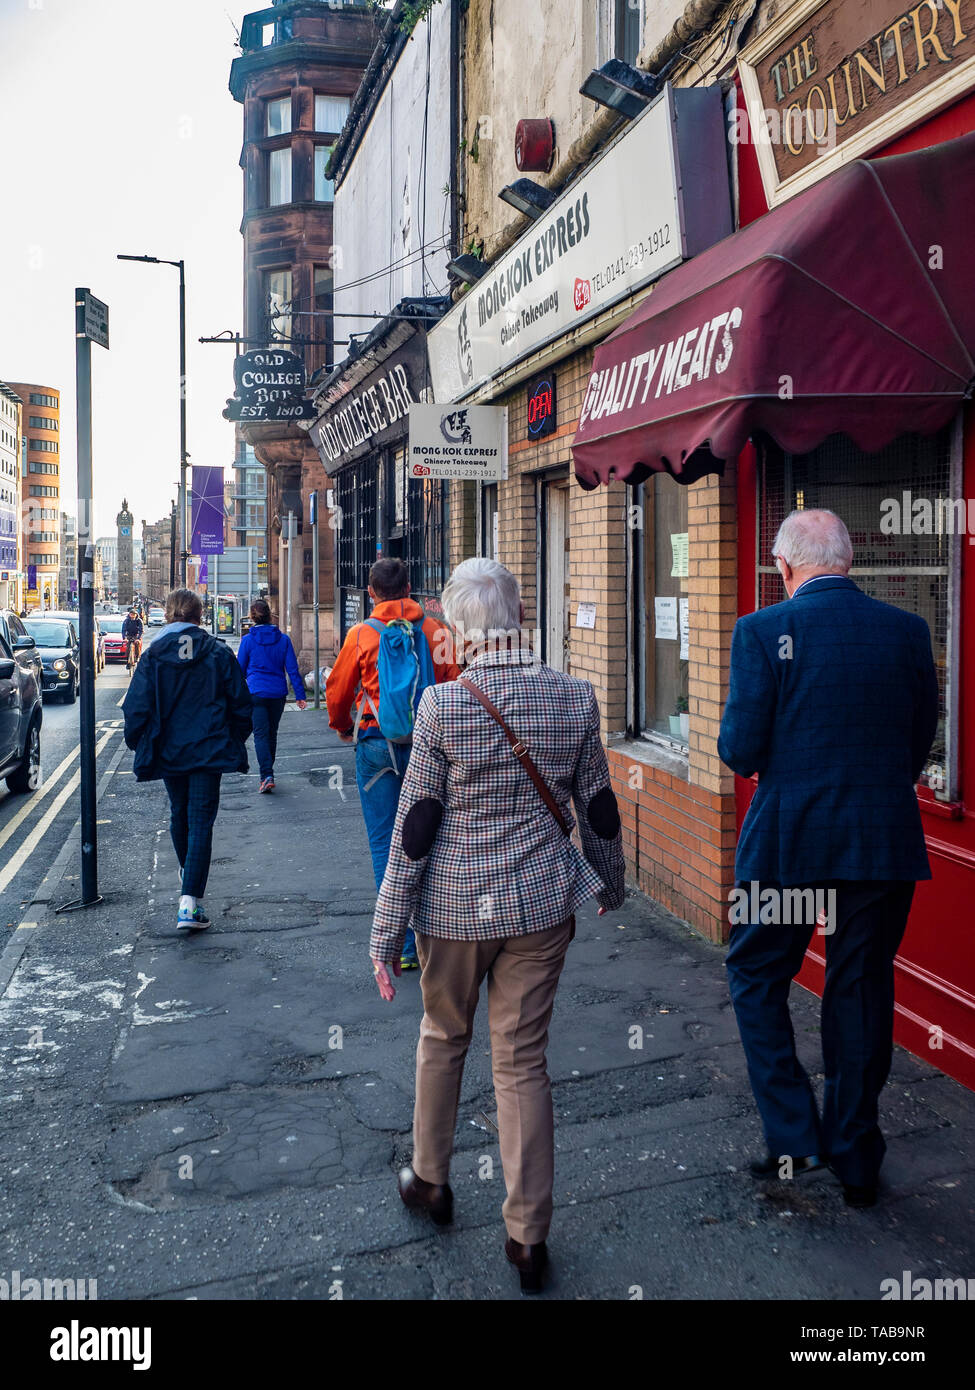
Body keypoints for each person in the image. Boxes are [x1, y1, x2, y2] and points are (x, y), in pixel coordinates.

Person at [368, 558, 625, 1293]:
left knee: (442, 1039)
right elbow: (599, 810)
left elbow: (416, 829)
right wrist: (610, 886)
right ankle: (526, 1237)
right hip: (541, 910)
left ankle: (429, 1180)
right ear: (519, 617)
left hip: (451, 913)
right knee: (521, 1062)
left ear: (455, 629)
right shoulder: (574, 698)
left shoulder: (442, 708)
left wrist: (385, 931)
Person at [717, 509, 939, 1210]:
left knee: (755, 971)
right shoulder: (905, 631)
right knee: (860, 985)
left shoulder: (760, 632)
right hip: (879, 842)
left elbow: (740, 750)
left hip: (785, 846)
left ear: (785, 568)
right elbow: (916, 740)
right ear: (847, 563)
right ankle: (855, 1156)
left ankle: (792, 1135)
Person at [326, 558, 459, 970]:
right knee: (431, 840)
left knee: (386, 842)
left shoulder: (361, 633)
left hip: (376, 744)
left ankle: (399, 945)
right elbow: (455, 686)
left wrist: (342, 725)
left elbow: (337, 688)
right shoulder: (437, 630)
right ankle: (433, 936)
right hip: (428, 746)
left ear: (371, 592)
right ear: (410, 587)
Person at [123, 588, 253, 932]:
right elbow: (241, 703)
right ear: (199, 616)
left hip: (169, 749)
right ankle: (189, 903)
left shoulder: (153, 656)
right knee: (200, 821)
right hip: (209, 749)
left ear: (168, 615)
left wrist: (137, 740)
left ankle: (188, 880)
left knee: (179, 813)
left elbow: (136, 707)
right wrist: (233, 738)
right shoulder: (217, 652)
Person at [236, 599, 307, 792]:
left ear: (252, 617)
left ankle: (266, 775)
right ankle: (268, 771)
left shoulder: (247, 641)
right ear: (270, 615)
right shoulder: (283, 640)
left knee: (260, 734)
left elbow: (239, 671)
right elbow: (292, 670)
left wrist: (234, 695)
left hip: (256, 692)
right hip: (277, 693)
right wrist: (300, 695)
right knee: (271, 733)